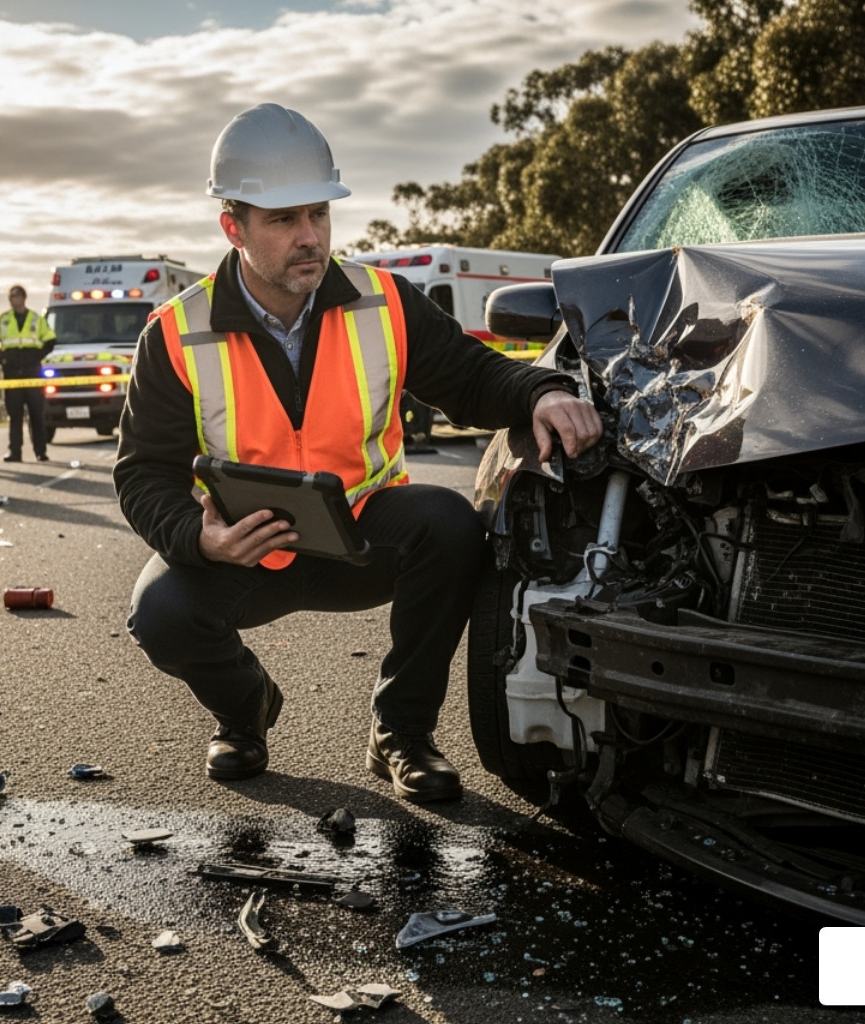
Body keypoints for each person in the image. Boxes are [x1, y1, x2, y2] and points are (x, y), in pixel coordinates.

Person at [116, 103, 602, 801]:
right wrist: (200, 537)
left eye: (318, 214)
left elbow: (468, 375)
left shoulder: (383, 301)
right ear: (235, 227)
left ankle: (401, 734)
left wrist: (541, 393)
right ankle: (243, 713)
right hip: (248, 548)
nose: (308, 237)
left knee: (452, 525)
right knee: (159, 613)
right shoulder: (174, 333)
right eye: (284, 221)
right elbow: (142, 474)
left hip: (364, 534)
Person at [0, 285, 56, 462]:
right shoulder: (3, 319)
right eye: (11, 297)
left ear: (24, 298)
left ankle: (41, 451)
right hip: (12, 371)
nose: (13, 299)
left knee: (36, 413)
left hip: (32, 370)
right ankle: (14, 452)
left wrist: (36, 356)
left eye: (16, 296)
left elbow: (50, 340)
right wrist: (2, 359)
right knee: (14, 414)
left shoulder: (35, 319)